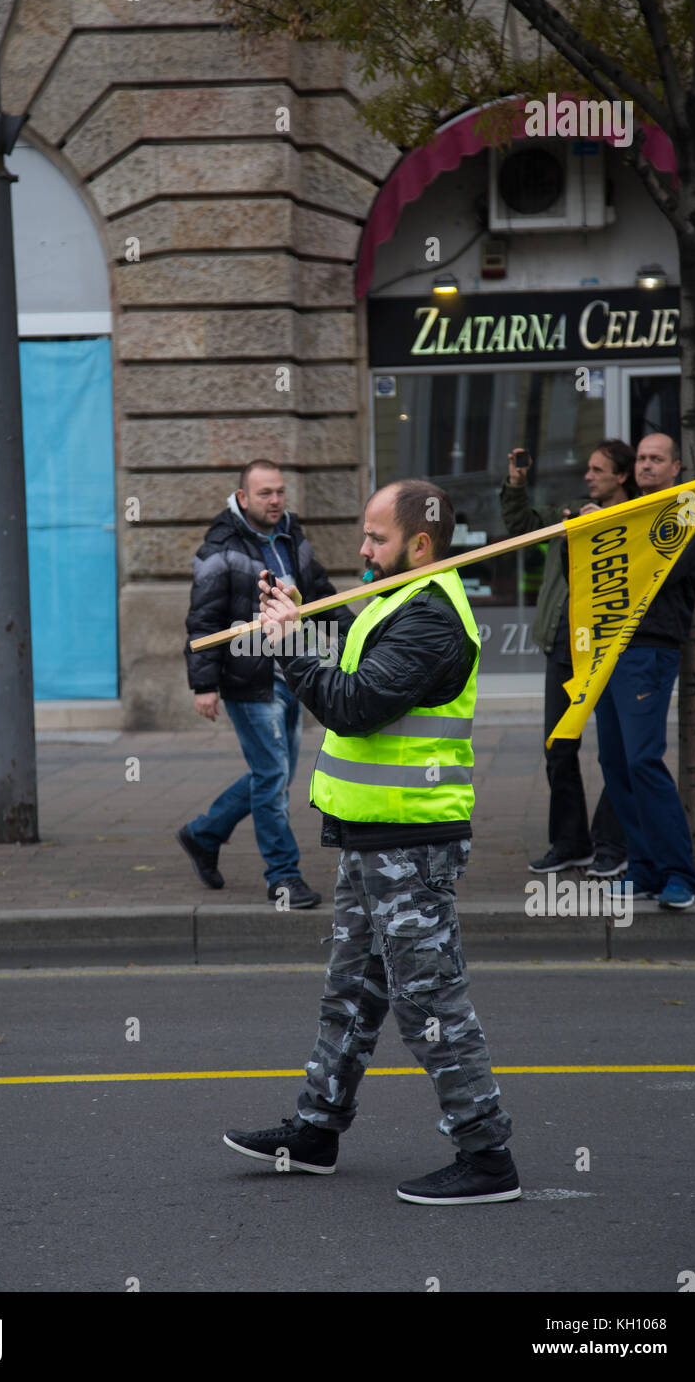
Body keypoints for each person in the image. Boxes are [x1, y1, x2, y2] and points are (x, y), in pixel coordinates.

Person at [223, 479, 520, 1205]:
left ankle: (487, 1158)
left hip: (411, 845)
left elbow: (353, 706)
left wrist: (290, 647)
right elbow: (352, 677)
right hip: (369, 839)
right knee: (352, 991)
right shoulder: (394, 601)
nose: (362, 549)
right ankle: (317, 1130)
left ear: (420, 544)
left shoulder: (434, 618)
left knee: (431, 1002)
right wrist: (298, 625)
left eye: (376, 538)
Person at [179, 459, 353, 908]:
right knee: (274, 775)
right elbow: (203, 619)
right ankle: (282, 877)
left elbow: (319, 593)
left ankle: (204, 833)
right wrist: (204, 684)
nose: (275, 500)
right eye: (264, 494)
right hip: (249, 677)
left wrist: (357, 636)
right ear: (242, 498)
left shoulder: (293, 533)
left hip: (293, 670)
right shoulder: (219, 548)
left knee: (274, 774)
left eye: (279, 492)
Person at [501, 442, 634, 877]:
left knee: (618, 751)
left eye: (598, 470)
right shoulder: (574, 510)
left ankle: (612, 842)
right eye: (589, 468)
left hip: (610, 648)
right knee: (558, 747)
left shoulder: (638, 516)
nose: (588, 476)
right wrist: (516, 484)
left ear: (622, 477)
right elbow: (521, 525)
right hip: (563, 643)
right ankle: (570, 842)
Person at [595, 434, 695, 909]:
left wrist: (611, 531)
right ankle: (642, 868)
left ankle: (681, 873)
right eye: (640, 459)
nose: (645, 466)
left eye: (656, 459)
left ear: (676, 467)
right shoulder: (625, 514)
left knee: (642, 759)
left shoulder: (683, 512)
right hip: (608, 647)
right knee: (614, 761)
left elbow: (656, 569)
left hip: (648, 649)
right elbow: (592, 573)